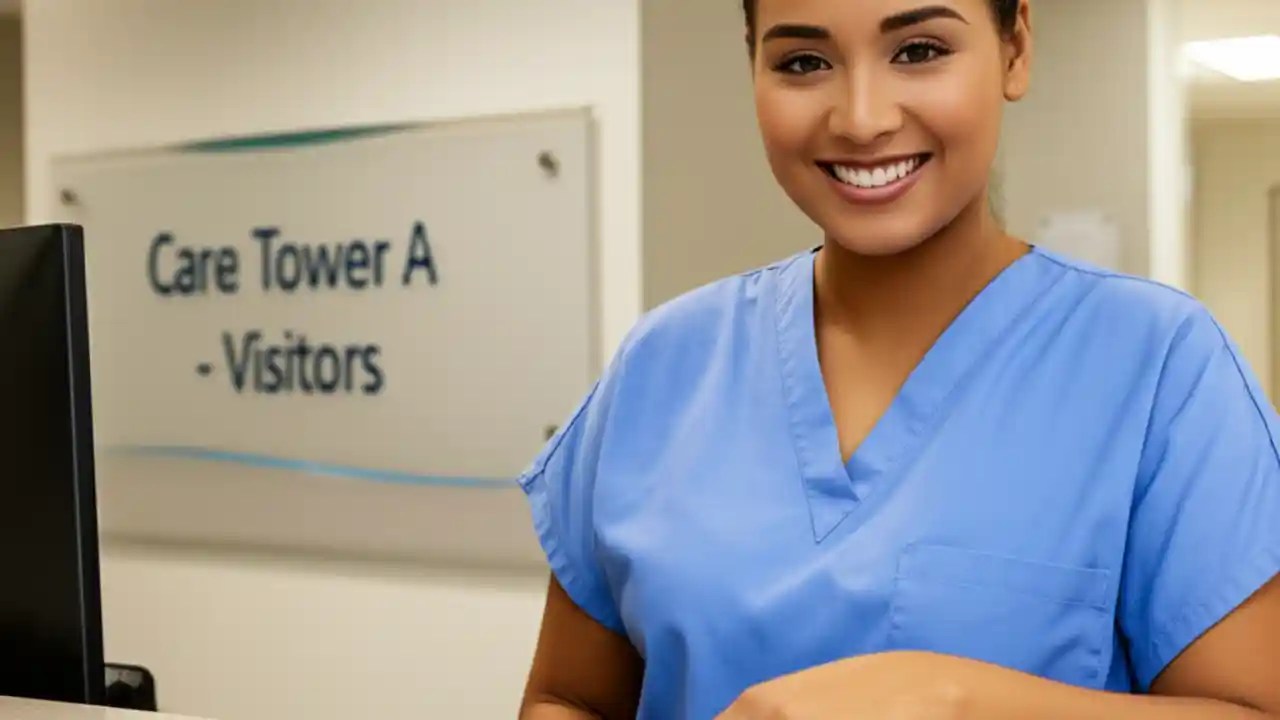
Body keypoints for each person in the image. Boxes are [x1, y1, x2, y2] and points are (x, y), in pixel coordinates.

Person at [518, 0, 1280, 718]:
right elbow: (568, 699)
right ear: (753, 66)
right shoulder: (663, 365)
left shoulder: (1159, 368)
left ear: (1015, 49)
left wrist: (955, 697)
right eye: (803, 62)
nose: (861, 119)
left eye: (919, 51)